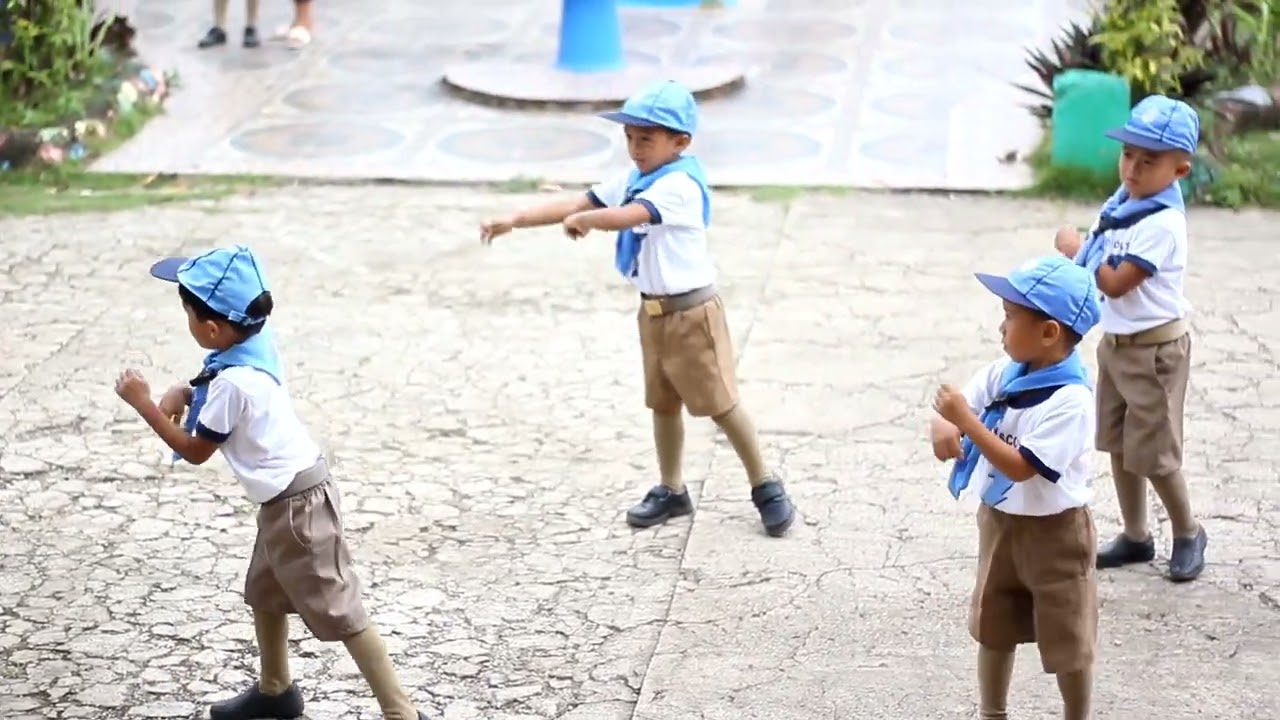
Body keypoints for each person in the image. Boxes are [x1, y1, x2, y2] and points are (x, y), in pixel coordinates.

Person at [113, 245, 427, 720]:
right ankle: (276, 689)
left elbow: (196, 450)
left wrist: (145, 404)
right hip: (286, 502)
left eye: (188, 314)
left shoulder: (232, 383)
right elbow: (220, 392)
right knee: (266, 592)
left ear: (211, 329)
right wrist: (186, 392)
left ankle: (400, 711)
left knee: (341, 610)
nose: (188, 321)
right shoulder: (252, 347)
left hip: (297, 509)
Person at [478, 79, 796, 537]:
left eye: (645, 138)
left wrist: (589, 220)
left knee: (721, 403)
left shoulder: (680, 185)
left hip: (693, 315)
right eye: (628, 137)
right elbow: (579, 201)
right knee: (662, 404)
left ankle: (765, 485)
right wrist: (516, 219)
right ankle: (671, 488)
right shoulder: (634, 179)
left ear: (680, 142)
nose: (634, 148)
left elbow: (629, 215)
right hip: (654, 314)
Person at [930, 255, 1103, 720]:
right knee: (994, 625)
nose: (1001, 328)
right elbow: (958, 407)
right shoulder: (1004, 373)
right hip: (1000, 524)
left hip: (1056, 534)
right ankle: (992, 712)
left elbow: (1022, 467)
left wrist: (966, 422)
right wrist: (943, 425)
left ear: (1049, 332)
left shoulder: (1071, 401)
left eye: (1009, 317)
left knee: (1067, 637)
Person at [1054, 94, 1208, 583]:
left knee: (1156, 454)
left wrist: (1078, 251)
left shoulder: (1162, 223)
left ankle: (1188, 531)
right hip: (1118, 344)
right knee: (1119, 445)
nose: (1133, 169)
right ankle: (1136, 535)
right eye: (1127, 155)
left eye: (1149, 161)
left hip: (1155, 351)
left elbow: (1117, 281)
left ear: (1179, 170)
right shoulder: (1121, 206)